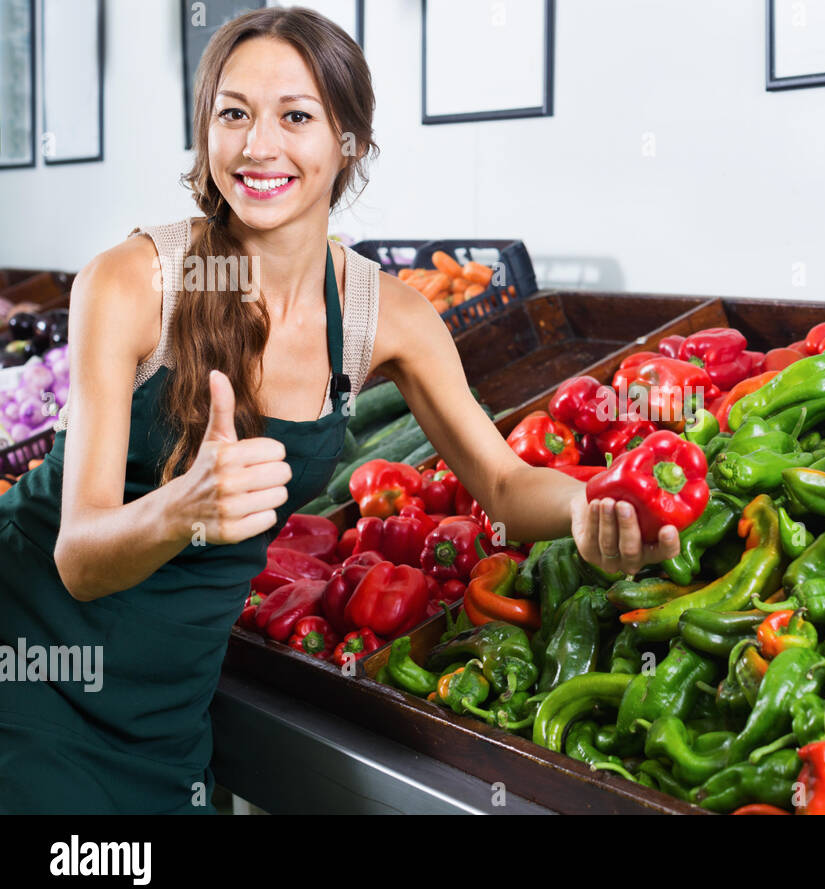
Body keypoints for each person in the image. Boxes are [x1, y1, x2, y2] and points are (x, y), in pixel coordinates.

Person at [0, 7, 678, 814]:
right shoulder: (130, 282)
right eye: (233, 113)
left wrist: (590, 506)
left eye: (296, 116)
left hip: (167, 708)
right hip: (32, 666)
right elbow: (78, 557)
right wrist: (184, 509)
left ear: (348, 141)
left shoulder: (381, 316)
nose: (259, 145)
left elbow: (501, 482)